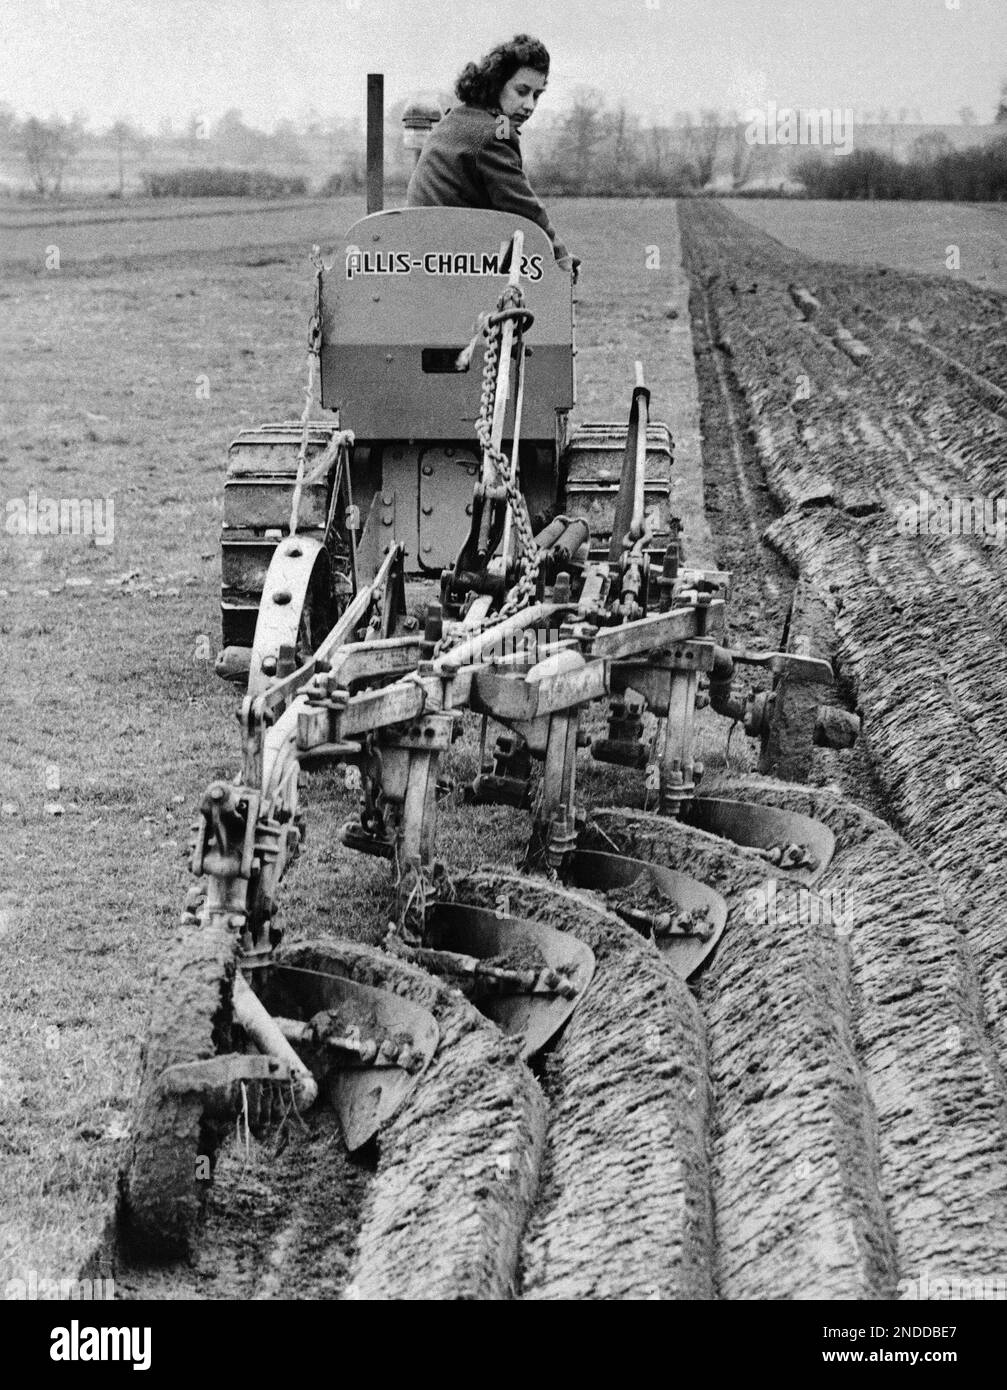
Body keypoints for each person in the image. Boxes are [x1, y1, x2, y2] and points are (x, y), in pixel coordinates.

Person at [406, 34, 577, 274]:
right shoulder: (496, 130)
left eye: (536, 95)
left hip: (421, 253)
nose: (529, 105)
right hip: (457, 263)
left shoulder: (457, 118)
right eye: (522, 91)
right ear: (496, 83)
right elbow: (524, 208)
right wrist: (560, 258)